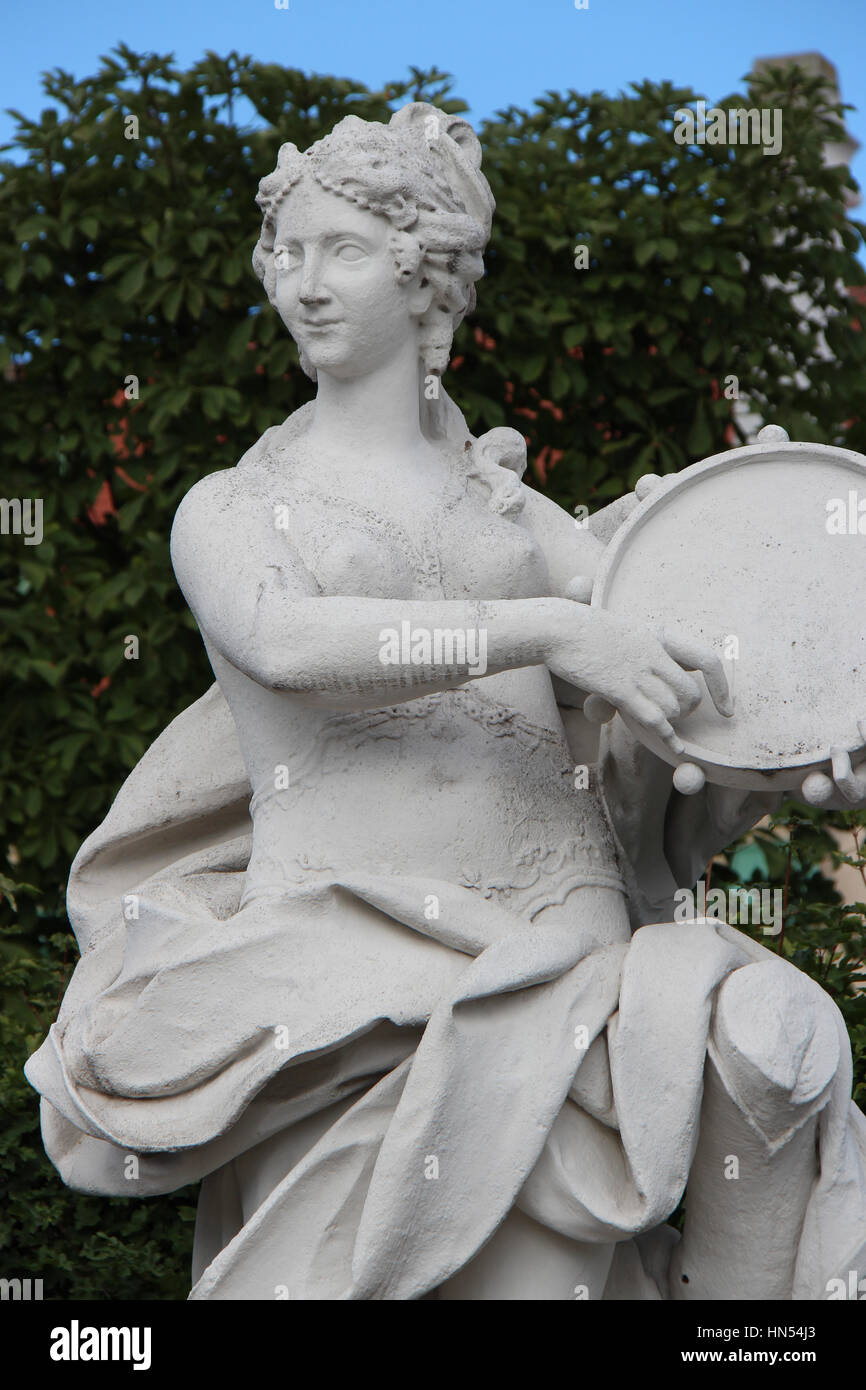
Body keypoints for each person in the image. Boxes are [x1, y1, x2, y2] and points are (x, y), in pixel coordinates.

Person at [26, 102, 866, 1300]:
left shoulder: (521, 520)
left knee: (774, 1039)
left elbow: (695, 682)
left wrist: (797, 731)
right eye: (287, 251)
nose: (301, 282)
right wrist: (549, 626)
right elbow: (284, 639)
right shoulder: (231, 508)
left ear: (425, 281)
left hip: (570, 952)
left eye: (342, 251)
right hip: (349, 969)